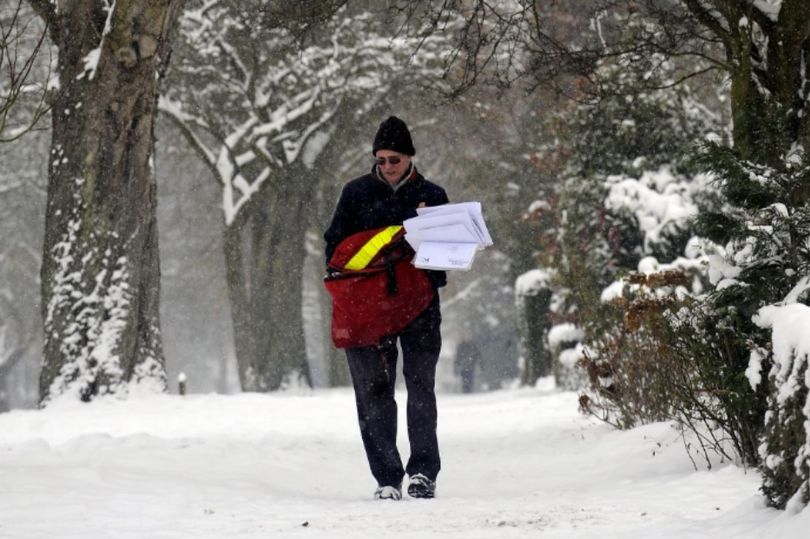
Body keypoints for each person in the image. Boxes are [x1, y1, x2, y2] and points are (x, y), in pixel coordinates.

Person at [324, 116, 449, 500]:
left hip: (420, 308)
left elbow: (445, 260)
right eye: (380, 159)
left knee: (420, 386)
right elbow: (334, 249)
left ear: (410, 157)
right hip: (370, 310)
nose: (387, 166)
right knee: (374, 392)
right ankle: (387, 478)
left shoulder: (433, 195)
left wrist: (425, 269)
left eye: (394, 159)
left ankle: (423, 473)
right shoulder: (355, 193)